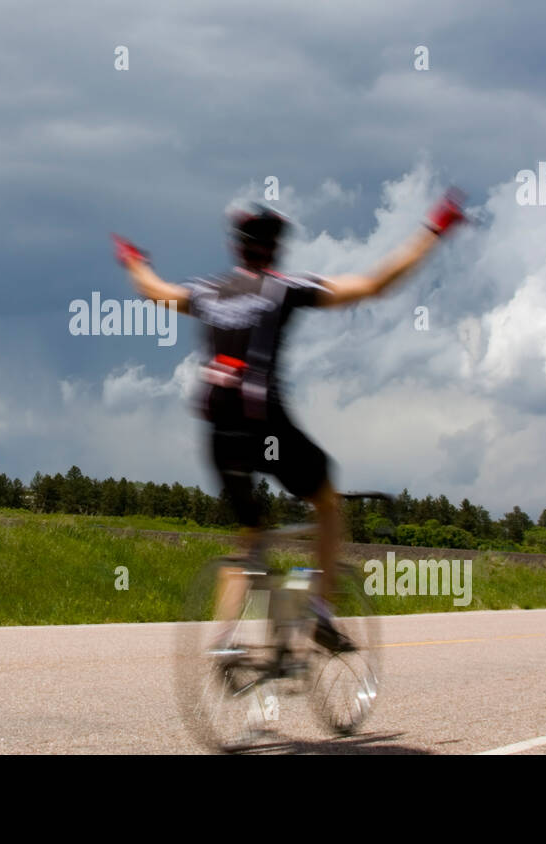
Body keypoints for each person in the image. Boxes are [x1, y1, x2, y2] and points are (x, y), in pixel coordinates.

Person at [113, 189, 467, 650]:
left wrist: (133, 259)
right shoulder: (285, 288)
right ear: (276, 249)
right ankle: (321, 613)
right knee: (326, 502)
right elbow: (376, 284)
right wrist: (435, 228)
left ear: (235, 247)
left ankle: (224, 641)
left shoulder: (205, 292)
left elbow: (153, 290)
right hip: (268, 430)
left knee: (251, 537)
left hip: (220, 436)